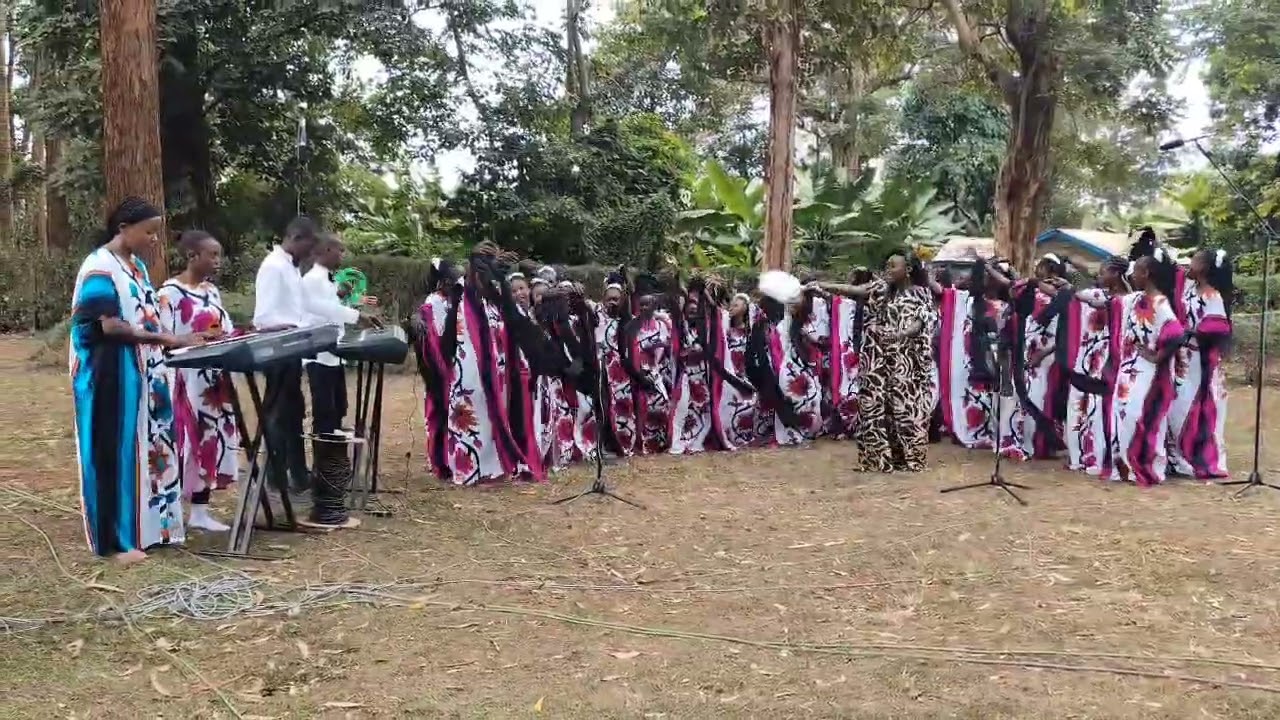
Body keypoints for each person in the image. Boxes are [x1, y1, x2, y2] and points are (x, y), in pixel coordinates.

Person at [69, 197, 204, 563]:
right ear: (123, 228)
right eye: (149, 232)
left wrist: (170, 340)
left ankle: (152, 530)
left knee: (150, 449)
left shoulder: (136, 267)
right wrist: (168, 339)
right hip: (108, 375)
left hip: (146, 374)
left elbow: (146, 314)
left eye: (157, 233)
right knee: (112, 453)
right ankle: (114, 543)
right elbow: (110, 327)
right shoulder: (99, 267)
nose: (154, 239)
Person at [817, 252, 937, 472]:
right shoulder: (881, 289)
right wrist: (821, 285)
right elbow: (854, 290)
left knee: (904, 409)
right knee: (874, 406)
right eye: (887, 265)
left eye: (893, 266)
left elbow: (920, 323)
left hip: (905, 362)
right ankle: (879, 458)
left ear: (908, 269)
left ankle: (909, 458)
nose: (888, 270)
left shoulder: (921, 294)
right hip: (877, 360)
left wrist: (900, 334)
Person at [157, 230, 238, 532]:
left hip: (214, 379)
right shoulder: (170, 293)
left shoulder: (211, 291)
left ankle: (200, 512)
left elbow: (223, 327)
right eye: (212, 255)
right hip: (186, 380)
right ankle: (170, 512)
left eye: (219, 255)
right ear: (192, 256)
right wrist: (193, 340)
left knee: (210, 440)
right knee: (187, 440)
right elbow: (164, 338)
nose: (218, 261)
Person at [1106, 250, 1185, 486]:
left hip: (1146, 373)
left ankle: (1147, 465)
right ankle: (1124, 467)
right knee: (1121, 414)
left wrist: (1157, 356)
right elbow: (1112, 301)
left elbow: (1176, 332)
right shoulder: (1135, 298)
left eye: (1136, 271)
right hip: (1127, 370)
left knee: (1139, 415)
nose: (1132, 275)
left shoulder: (1160, 302)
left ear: (1146, 273)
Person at [252, 217, 319, 493]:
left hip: (292, 349)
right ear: (295, 238)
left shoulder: (291, 267)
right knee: (278, 415)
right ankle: (275, 475)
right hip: (278, 350)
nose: (310, 254)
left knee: (294, 413)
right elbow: (263, 318)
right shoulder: (273, 267)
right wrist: (293, 328)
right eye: (308, 247)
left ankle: (299, 473)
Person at [301, 233, 380, 440]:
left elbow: (332, 307)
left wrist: (342, 296)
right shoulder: (312, 279)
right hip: (319, 355)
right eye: (340, 251)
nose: (342, 256)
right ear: (327, 250)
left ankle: (335, 448)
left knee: (338, 406)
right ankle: (326, 454)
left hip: (333, 353)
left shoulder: (329, 281)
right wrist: (357, 316)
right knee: (325, 411)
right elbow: (321, 308)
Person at [1167, 248, 1233, 479]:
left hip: (1201, 362)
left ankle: (1201, 459)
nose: (1189, 264)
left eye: (1194, 261)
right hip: (1185, 359)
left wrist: (1188, 332)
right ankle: (1180, 458)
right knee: (1177, 408)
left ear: (1204, 268)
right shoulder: (1189, 289)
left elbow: (1217, 328)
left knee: (1197, 408)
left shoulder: (1212, 296)